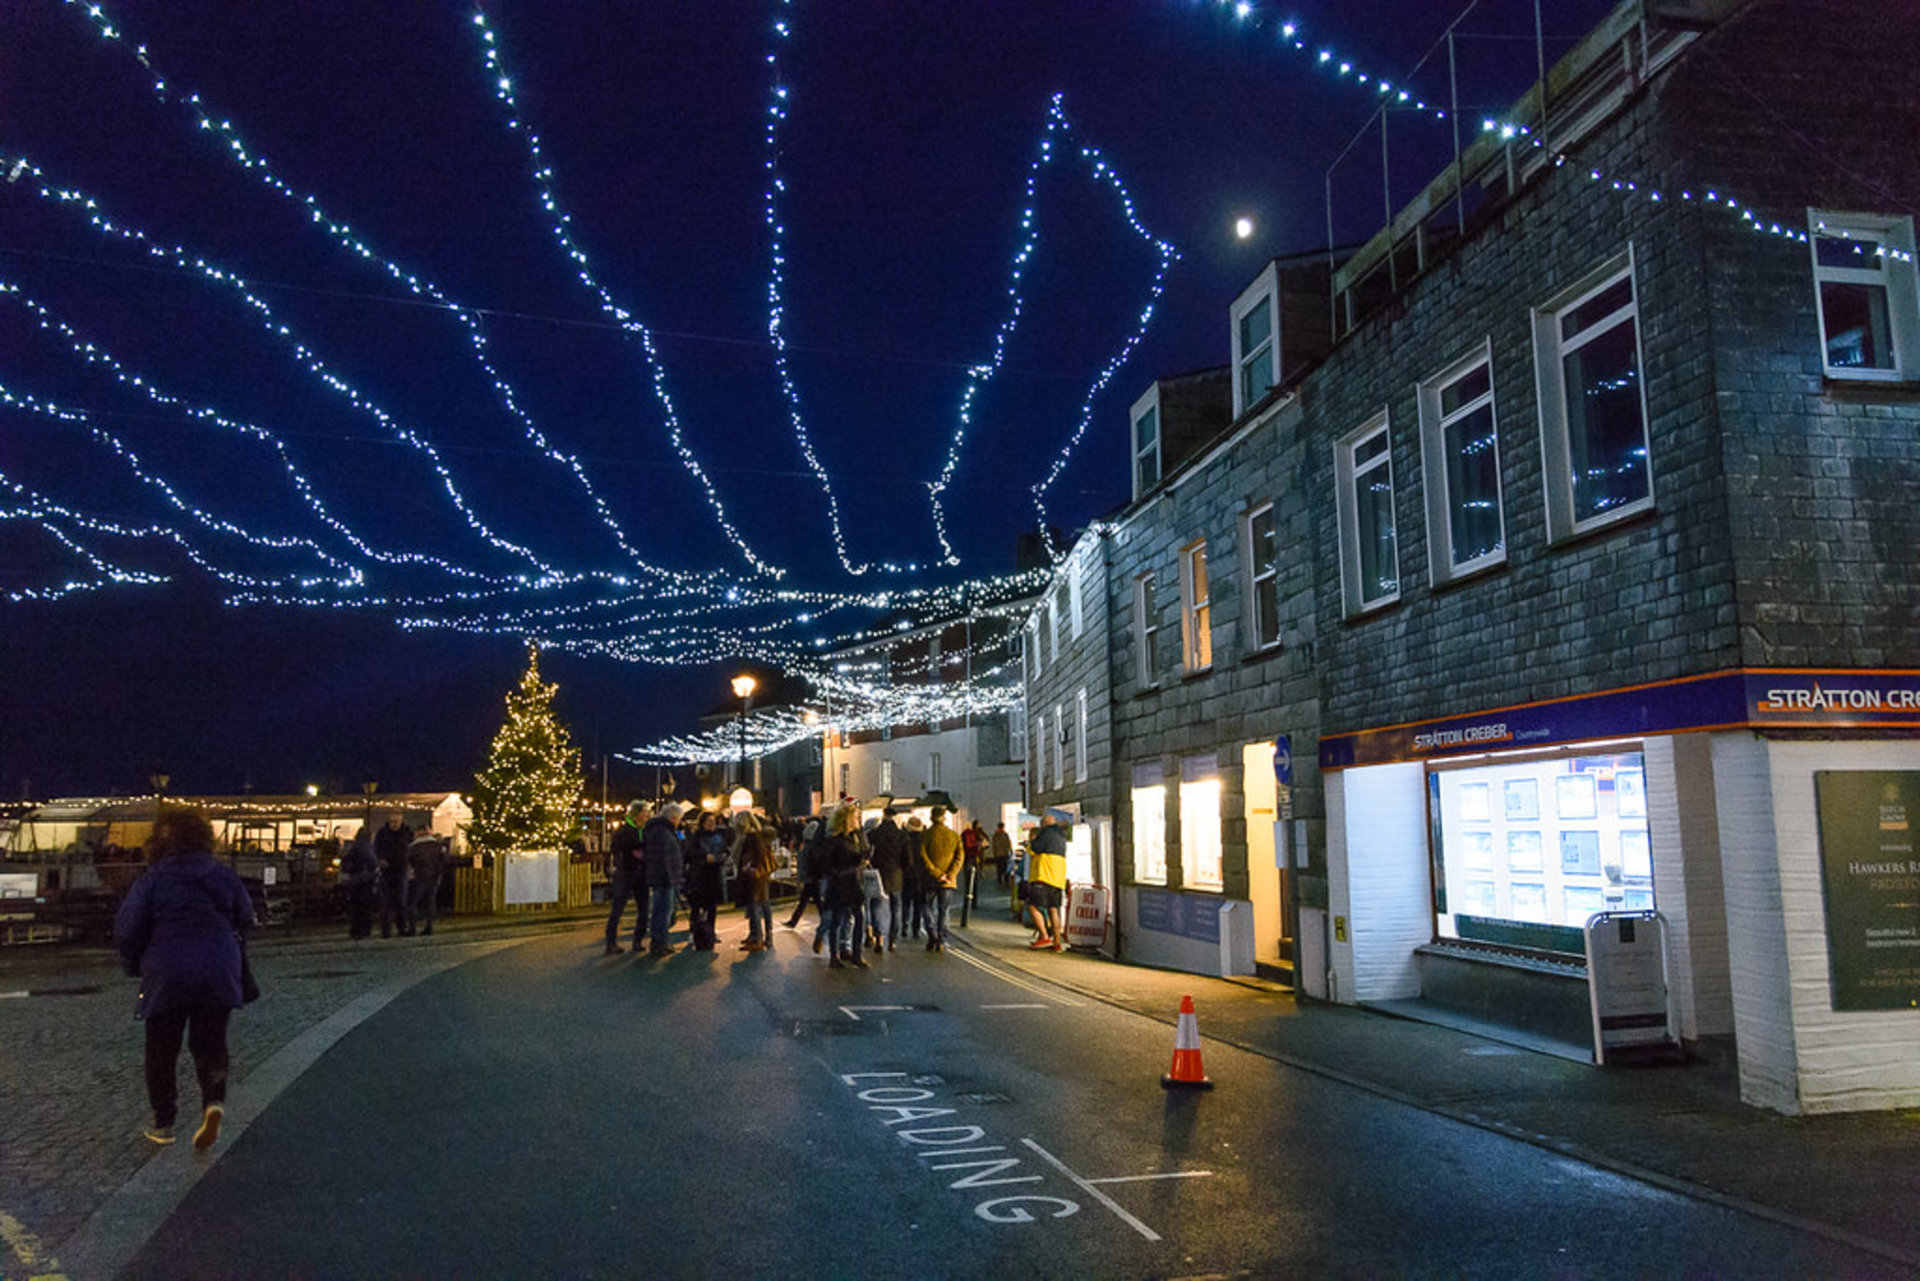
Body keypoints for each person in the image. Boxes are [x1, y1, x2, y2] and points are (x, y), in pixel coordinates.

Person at [115, 807, 253, 1149]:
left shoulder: (152, 880)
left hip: (167, 970)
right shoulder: (222, 875)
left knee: (161, 1049)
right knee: (211, 1043)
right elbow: (246, 917)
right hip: (217, 968)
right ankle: (213, 1103)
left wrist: (135, 964)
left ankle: (164, 1122)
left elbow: (129, 929)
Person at [823, 805, 869, 969]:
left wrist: (862, 858)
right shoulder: (835, 840)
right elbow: (827, 864)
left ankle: (856, 953)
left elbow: (862, 850)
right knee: (837, 919)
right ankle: (834, 956)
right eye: (856, 817)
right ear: (847, 819)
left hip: (854, 883)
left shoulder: (855, 837)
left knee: (858, 918)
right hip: (840, 884)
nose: (858, 820)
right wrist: (852, 868)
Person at [603, 801, 651, 955]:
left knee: (644, 908)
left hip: (642, 873)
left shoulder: (646, 830)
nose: (647, 815)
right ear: (637, 813)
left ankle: (638, 940)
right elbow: (616, 849)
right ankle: (611, 942)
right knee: (618, 908)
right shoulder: (624, 831)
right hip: (626, 872)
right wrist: (630, 854)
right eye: (645, 812)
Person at [643, 802, 686, 958]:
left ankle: (659, 941)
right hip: (665, 878)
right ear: (673, 818)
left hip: (661, 876)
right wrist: (671, 876)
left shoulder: (658, 830)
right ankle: (660, 942)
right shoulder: (664, 832)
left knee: (660, 910)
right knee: (664, 911)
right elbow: (664, 857)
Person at [919, 806, 963, 953]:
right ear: (944, 818)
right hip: (948, 882)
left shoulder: (925, 836)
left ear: (931, 818)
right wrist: (950, 874)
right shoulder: (954, 836)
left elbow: (923, 857)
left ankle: (932, 933)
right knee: (944, 909)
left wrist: (936, 873)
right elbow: (959, 857)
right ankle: (941, 940)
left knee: (926, 906)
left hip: (929, 879)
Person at [867, 808, 909, 952]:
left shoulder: (874, 834)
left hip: (878, 874)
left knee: (876, 906)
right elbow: (907, 859)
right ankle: (892, 939)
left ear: (883, 816)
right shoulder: (902, 835)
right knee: (895, 908)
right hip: (896, 874)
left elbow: (867, 853)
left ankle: (879, 937)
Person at [685, 810, 728, 951]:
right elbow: (689, 853)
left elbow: (725, 849)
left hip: (714, 874)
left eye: (713, 821)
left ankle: (710, 931)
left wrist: (722, 857)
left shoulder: (719, 836)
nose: (712, 824)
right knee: (697, 906)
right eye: (709, 821)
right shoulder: (696, 836)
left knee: (712, 906)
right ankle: (695, 932)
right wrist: (704, 856)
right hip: (699, 875)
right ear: (702, 823)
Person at [1026, 811, 1069, 951]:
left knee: (1032, 906)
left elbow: (1035, 848)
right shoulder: (1062, 835)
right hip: (1058, 878)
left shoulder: (1045, 833)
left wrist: (1030, 843)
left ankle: (1044, 936)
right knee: (1053, 909)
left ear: (1044, 824)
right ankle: (1057, 942)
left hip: (1044, 876)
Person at [736, 819, 777, 951]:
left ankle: (757, 938)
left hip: (756, 878)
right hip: (761, 878)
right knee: (763, 906)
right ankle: (764, 936)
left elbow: (756, 859)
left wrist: (750, 869)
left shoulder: (753, 839)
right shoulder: (759, 839)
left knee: (755, 906)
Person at [373, 811, 413, 938]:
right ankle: (386, 930)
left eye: (396, 822)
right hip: (386, 872)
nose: (394, 824)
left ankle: (401, 927)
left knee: (401, 901)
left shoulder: (407, 832)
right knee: (385, 902)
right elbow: (375, 849)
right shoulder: (382, 833)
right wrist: (380, 860)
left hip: (401, 870)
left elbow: (412, 849)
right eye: (391, 822)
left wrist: (410, 865)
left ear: (401, 821)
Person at [406, 824, 446, 936]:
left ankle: (412, 927)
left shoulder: (414, 847)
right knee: (430, 901)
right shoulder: (438, 846)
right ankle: (429, 926)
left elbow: (410, 861)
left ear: (419, 832)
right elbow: (444, 861)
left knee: (413, 902)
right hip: (434, 876)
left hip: (419, 876)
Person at [341, 828, 378, 941]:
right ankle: (365, 929)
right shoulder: (368, 846)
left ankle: (355, 929)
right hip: (365, 879)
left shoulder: (353, 846)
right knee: (365, 905)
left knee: (355, 906)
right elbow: (372, 861)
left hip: (354, 879)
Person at [900, 816, 927, 941]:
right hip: (920, 875)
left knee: (906, 902)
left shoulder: (904, 838)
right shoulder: (924, 839)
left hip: (907, 874)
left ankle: (905, 925)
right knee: (918, 904)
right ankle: (916, 929)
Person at [961, 819, 986, 908]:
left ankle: (968, 900)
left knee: (968, 880)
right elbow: (984, 843)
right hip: (974, 857)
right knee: (974, 881)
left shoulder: (964, 834)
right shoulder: (974, 834)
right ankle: (974, 902)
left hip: (967, 858)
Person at [990, 821, 1014, 888]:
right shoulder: (1005, 835)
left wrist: (994, 853)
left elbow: (993, 845)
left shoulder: (995, 835)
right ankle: (1006, 881)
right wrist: (1010, 851)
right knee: (1005, 868)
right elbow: (1009, 844)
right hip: (1005, 854)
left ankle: (999, 880)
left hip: (998, 854)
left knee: (999, 867)